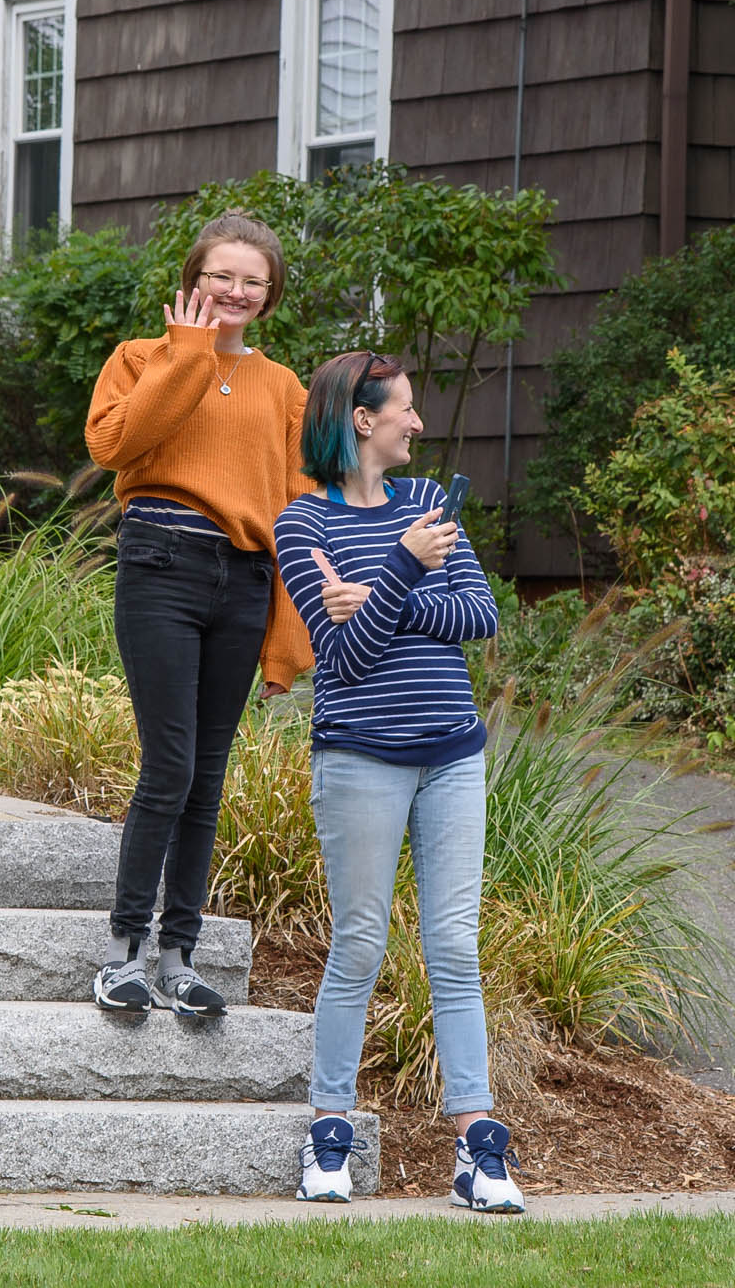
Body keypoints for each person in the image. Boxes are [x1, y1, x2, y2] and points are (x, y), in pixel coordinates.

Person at [272, 351, 519, 1210]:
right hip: (359, 757)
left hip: (453, 753)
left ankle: (478, 1144)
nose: (418, 422)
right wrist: (412, 571)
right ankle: (328, 1134)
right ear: (360, 420)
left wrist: (384, 587)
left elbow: (478, 616)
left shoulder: (426, 504)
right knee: (361, 944)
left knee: (455, 948)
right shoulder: (303, 524)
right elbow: (341, 653)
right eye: (404, 409)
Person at [83, 210, 315, 1018]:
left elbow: (297, 508)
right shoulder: (142, 357)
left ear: (270, 292)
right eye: (224, 275)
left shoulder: (284, 386)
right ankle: (121, 953)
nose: (238, 291)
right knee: (170, 763)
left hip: (245, 579)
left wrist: (288, 639)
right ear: (193, 279)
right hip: (161, 562)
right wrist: (187, 355)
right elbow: (118, 444)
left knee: (208, 775)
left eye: (255, 280)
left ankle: (180, 955)